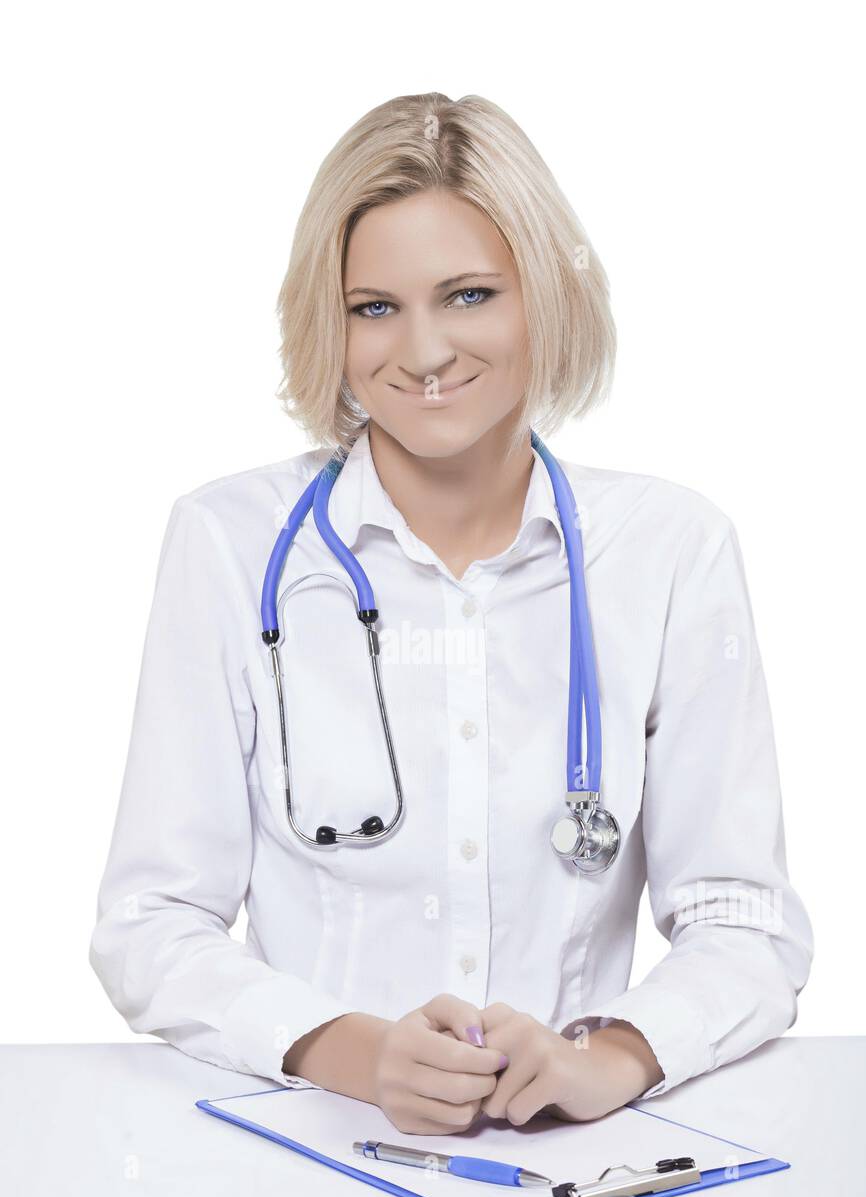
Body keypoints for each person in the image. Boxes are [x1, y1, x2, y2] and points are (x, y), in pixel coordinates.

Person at [91, 91, 813, 1135]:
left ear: (542, 298)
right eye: (373, 307)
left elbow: (744, 923)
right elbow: (150, 924)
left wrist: (603, 1058)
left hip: (577, 1171)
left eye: (468, 295)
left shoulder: (666, 551)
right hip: (310, 1165)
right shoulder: (226, 544)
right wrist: (358, 1051)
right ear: (327, 323)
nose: (422, 351)